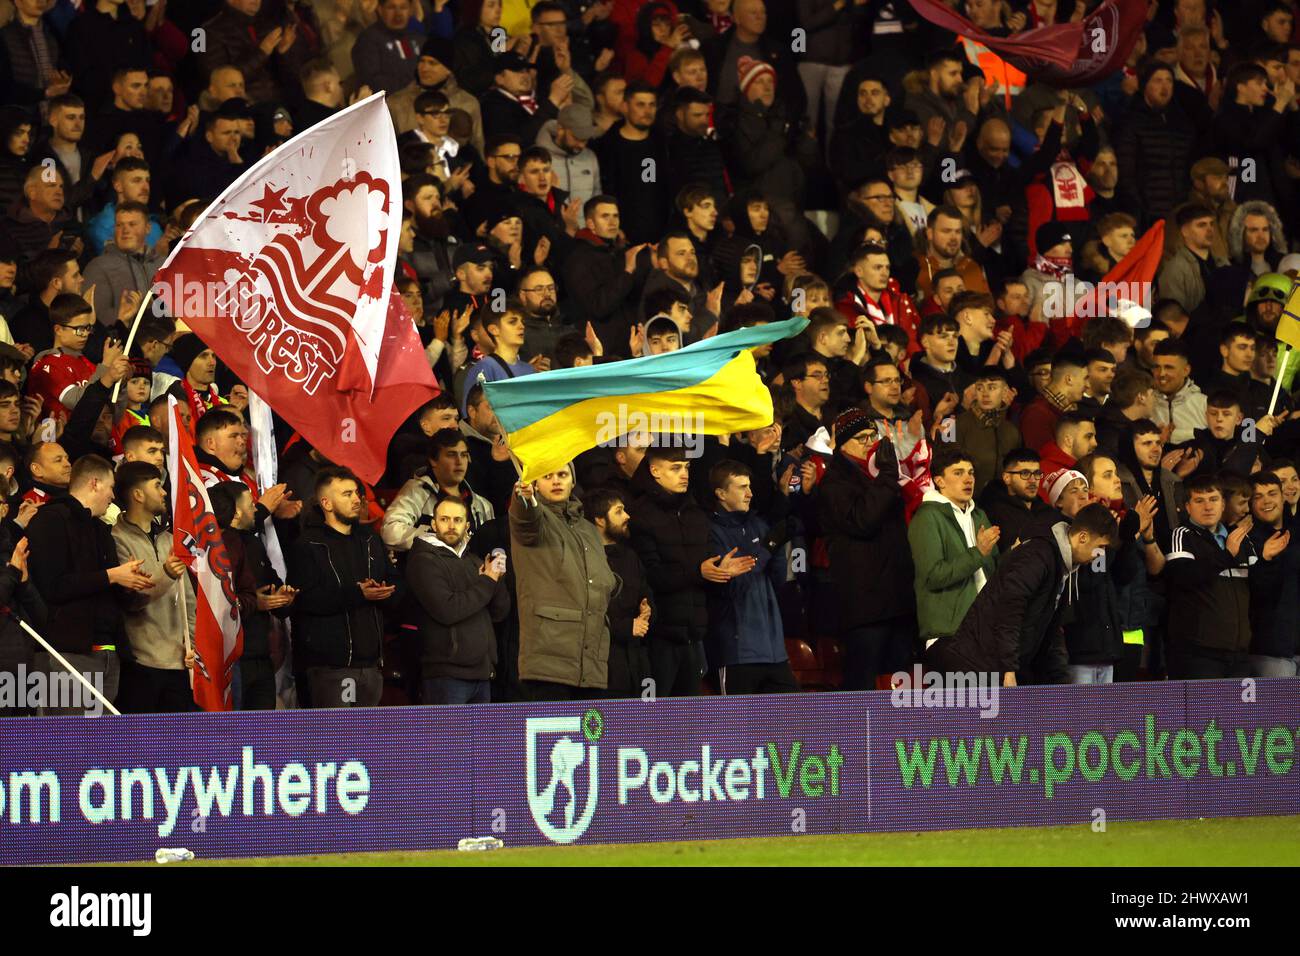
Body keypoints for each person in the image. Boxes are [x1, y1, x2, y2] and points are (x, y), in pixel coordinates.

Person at [930, 503, 1118, 685]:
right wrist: (1009, 670)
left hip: (997, 668)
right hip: (976, 668)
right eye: (1100, 547)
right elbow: (1008, 611)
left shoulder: (1062, 565)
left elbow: (1049, 633)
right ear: (1083, 537)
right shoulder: (1037, 555)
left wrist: (1061, 682)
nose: (1100, 554)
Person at [26, 454, 152, 714]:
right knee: (65, 746)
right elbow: (53, 586)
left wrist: (129, 584)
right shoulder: (50, 519)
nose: (112, 496)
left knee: (98, 751)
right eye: (110, 488)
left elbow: (105, 588)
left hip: (108, 652)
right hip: (65, 654)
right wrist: (113, 575)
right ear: (94, 483)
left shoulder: (100, 530)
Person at [629, 445, 747, 696]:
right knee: (651, 725)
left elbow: (704, 566)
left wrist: (719, 571)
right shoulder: (640, 515)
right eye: (675, 468)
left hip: (694, 635)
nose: (684, 474)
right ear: (655, 471)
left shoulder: (695, 512)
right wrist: (698, 572)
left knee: (688, 725)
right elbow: (649, 575)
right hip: (658, 637)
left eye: (686, 468)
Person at [817, 406, 917, 690]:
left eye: (873, 435)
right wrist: (888, 475)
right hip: (866, 608)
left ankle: (895, 736)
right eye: (862, 438)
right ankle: (853, 736)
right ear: (843, 443)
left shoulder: (877, 476)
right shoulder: (834, 484)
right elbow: (863, 521)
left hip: (896, 601)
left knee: (898, 690)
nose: (870, 443)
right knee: (861, 690)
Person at [288, 467, 401, 708]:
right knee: (339, 742)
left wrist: (386, 590)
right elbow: (305, 600)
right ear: (326, 503)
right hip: (331, 667)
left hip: (371, 664)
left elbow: (394, 582)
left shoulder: (371, 539)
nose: (357, 499)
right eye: (347, 494)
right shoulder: (308, 544)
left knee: (365, 743)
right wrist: (357, 593)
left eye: (357, 493)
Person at [510, 464, 618, 700]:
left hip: (591, 661)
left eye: (562, 475)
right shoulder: (536, 517)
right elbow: (525, 521)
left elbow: (600, 575)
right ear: (535, 484)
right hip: (548, 663)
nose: (556, 481)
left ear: (572, 481)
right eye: (547, 476)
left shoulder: (588, 528)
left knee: (591, 737)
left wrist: (612, 584)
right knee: (556, 737)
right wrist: (522, 497)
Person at [406, 495, 511, 705]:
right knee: (448, 739)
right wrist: (487, 581)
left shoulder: (473, 560)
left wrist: (497, 579)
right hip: (446, 675)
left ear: (467, 525)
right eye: (444, 519)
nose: (451, 526)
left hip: (482, 673)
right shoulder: (423, 560)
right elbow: (448, 610)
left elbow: (499, 612)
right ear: (433, 523)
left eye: (458, 520)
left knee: (480, 739)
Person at [706, 460, 797, 695]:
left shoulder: (758, 524)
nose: (750, 494)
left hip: (773, 649)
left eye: (750, 486)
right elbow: (733, 587)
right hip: (736, 652)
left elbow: (778, 579)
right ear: (721, 493)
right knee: (738, 729)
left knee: (796, 723)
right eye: (742, 487)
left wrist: (776, 546)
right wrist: (766, 549)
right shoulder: (711, 532)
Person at [110, 461, 195, 713]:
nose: (164, 492)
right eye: (157, 486)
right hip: (141, 663)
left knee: (179, 747)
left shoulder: (170, 539)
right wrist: (166, 573)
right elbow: (132, 599)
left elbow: (188, 599)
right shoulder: (116, 539)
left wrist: (194, 646)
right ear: (138, 495)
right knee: (140, 747)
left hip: (179, 662)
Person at [209, 481, 294, 712]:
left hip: (261, 654)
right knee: (232, 733)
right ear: (236, 512)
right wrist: (256, 603)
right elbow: (219, 601)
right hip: (232, 658)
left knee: (262, 734)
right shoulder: (214, 549)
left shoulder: (253, 543)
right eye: (250, 504)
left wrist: (283, 596)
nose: (257, 509)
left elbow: (271, 583)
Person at [907, 445, 999, 658]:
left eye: (971, 473)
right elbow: (933, 575)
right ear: (939, 481)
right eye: (958, 473)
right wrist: (978, 553)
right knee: (960, 693)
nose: (968, 479)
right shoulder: (927, 517)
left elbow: (992, 570)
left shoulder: (979, 515)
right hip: (949, 634)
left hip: (986, 629)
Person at [1163, 474, 1257, 679]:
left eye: (1213, 499)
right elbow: (1183, 577)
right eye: (1199, 501)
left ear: (1223, 504)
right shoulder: (1181, 535)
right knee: (1204, 713)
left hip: (1239, 655)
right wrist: (1226, 556)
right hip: (1198, 655)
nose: (1208, 507)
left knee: (1237, 713)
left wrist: (1268, 560)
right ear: (1187, 507)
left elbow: (1261, 588)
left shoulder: (1240, 539)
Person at [585, 486, 654, 699]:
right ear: (599, 519)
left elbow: (645, 592)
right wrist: (626, 627)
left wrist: (648, 609)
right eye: (618, 511)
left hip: (637, 663)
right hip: (602, 667)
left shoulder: (631, 556)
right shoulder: (584, 559)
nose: (627, 516)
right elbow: (585, 613)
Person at [383, 428, 496, 552]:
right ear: (433, 460)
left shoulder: (483, 505)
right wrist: (438, 538)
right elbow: (390, 531)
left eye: (463, 455)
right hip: (429, 568)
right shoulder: (416, 491)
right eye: (451, 455)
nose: (459, 462)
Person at [1245, 472, 1299, 678]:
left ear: (1283, 496)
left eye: (1272, 493)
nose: (1266, 501)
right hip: (1270, 651)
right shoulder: (1245, 539)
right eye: (1257, 496)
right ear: (1249, 503)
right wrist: (1265, 559)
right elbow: (1252, 592)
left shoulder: (1297, 532)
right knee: (1278, 710)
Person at [978, 448, 1054, 548]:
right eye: (1025, 473)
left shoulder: (1045, 511)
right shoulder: (995, 512)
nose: (1033, 480)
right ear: (1007, 478)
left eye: (1036, 473)